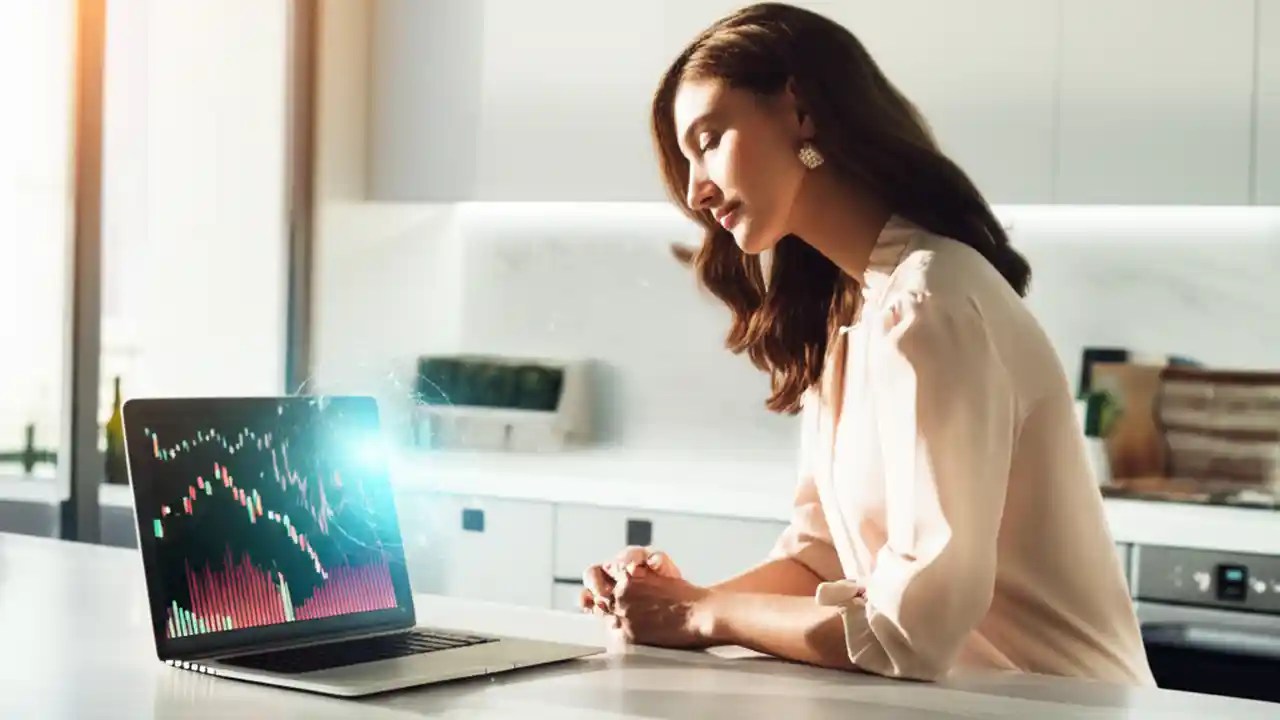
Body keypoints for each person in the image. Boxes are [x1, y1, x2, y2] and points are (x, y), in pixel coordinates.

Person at [579, 2, 1154, 685]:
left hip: (1064, 706)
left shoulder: (930, 300)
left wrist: (702, 614)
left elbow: (909, 632)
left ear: (801, 110)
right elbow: (821, 561)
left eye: (708, 141)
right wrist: (668, 603)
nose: (697, 189)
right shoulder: (848, 311)